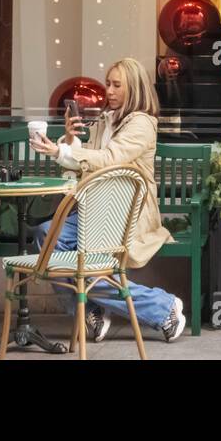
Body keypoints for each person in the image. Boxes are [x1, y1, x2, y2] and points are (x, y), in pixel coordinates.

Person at [29, 57, 185, 343]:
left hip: (125, 214)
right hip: (94, 210)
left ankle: (162, 308)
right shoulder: (106, 119)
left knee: (61, 255)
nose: (109, 91)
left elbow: (110, 160)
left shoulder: (141, 124)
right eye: (108, 84)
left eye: (116, 85)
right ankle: (92, 310)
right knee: (45, 237)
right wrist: (70, 139)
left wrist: (58, 152)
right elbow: (84, 161)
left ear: (134, 89)